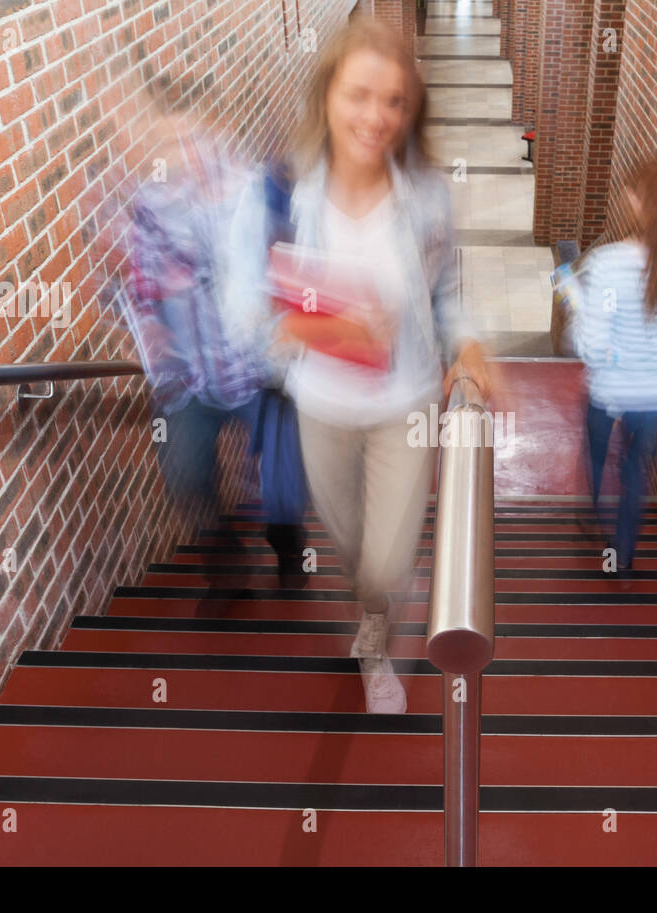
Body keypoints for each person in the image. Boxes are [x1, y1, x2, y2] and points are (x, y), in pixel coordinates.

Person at [252, 19, 492, 714]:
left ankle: (376, 633)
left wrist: (468, 341)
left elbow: (449, 293)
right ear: (326, 94)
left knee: (385, 561)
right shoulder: (284, 195)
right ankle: (373, 610)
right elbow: (249, 316)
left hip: (405, 405)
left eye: (394, 102)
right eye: (360, 95)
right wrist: (320, 326)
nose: (377, 117)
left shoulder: (425, 195)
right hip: (321, 406)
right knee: (354, 551)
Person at [113, 77, 309, 584]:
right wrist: (152, 323)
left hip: (260, 369)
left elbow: (290, 264)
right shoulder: (152, 207)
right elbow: (143, 286)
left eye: (186, 139)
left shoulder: (254, 190)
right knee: (184, 475)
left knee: (285, 490)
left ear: (212, 134)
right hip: (192, 375)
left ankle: (288, 551)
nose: (177, 155)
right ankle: (229, 568)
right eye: (163, 145)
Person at [555, 154, 657, 573]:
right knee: (636, 469)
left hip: (611, 391)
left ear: (638, 201)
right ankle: (621, 557)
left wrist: (573, 304)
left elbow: (591, 347)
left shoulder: (610, 264)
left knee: (595, 451)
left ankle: (590, 514)